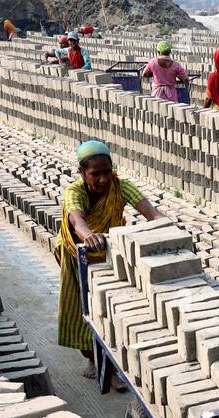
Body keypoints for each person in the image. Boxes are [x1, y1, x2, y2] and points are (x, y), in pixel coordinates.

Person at [56, 141, 165, 378]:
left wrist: (168, 227)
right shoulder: (75, 192)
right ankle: (93, 360)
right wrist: (88, 235)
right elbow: (77, 220)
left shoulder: (121, 187)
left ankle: (112, 362)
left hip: (110, 252)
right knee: (80, 309)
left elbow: (151, 212)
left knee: (110, 310)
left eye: (107, 172)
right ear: (82, 173)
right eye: (96, 174)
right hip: (79, 254)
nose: (103, 179)